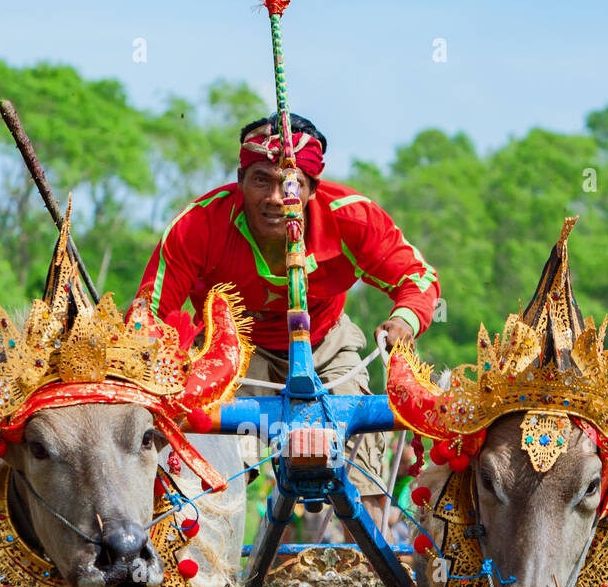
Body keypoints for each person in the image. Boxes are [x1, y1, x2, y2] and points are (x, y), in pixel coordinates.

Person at [136, 113, 441, 511]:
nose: (276, 198)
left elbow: (418, 277)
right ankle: (211, 559)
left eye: (292, 183)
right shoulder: (198, 225)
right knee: (217, 474)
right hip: (234, 354)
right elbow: (151, 314)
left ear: (314, 187)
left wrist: (404, 319)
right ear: (241, 179)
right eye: (261, 179)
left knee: (362, 459)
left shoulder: (352, 217)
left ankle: (365, 563)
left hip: (329, 344)